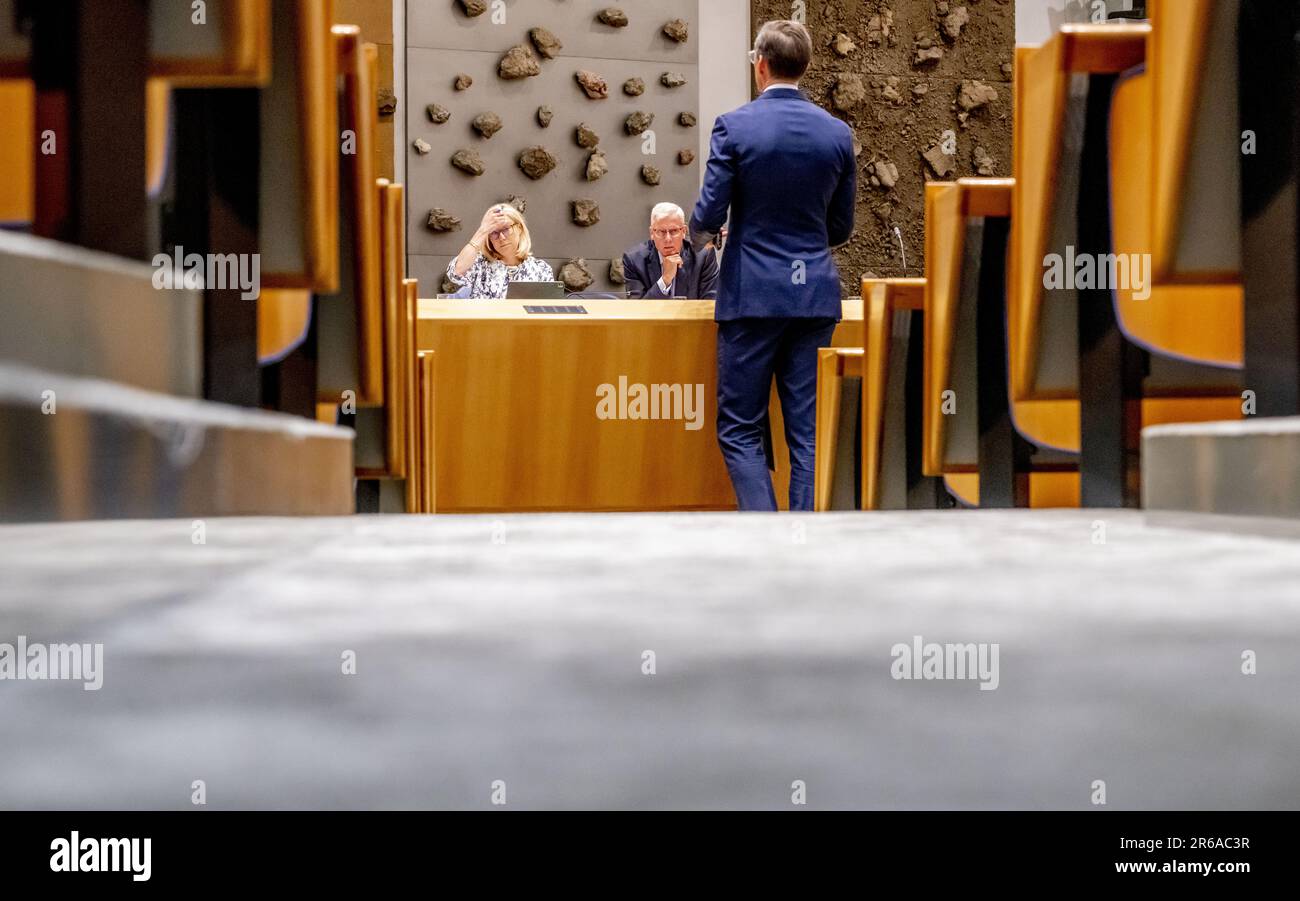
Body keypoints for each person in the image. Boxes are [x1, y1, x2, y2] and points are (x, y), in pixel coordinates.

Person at [689, 19, 856, 512]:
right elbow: (841, 228)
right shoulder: (837, 133)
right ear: (802, 67)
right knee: (807, 434)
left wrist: (703, 235)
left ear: (760, 65)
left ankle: (766, 537)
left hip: (752, 298)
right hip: (813, 299)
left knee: (740, 428)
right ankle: (802, 539)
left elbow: (708, 215)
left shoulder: (734, 126)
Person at [447, 204, 553, 299]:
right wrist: (482, 230)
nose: (501, 237)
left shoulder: (541, 269)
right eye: (494, 232)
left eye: (506, 229)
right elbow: (456, 272)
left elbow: (548, 312)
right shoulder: (479, 264)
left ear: (519, 228)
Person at [622, 202, 719, 300]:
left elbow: (710, 304)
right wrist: (665, 279)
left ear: (684, 231)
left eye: (674, 231)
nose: (668, 239)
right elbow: (638, 310)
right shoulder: (634, 260)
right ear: (652, 233)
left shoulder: (703, 255)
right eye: (661, 232)